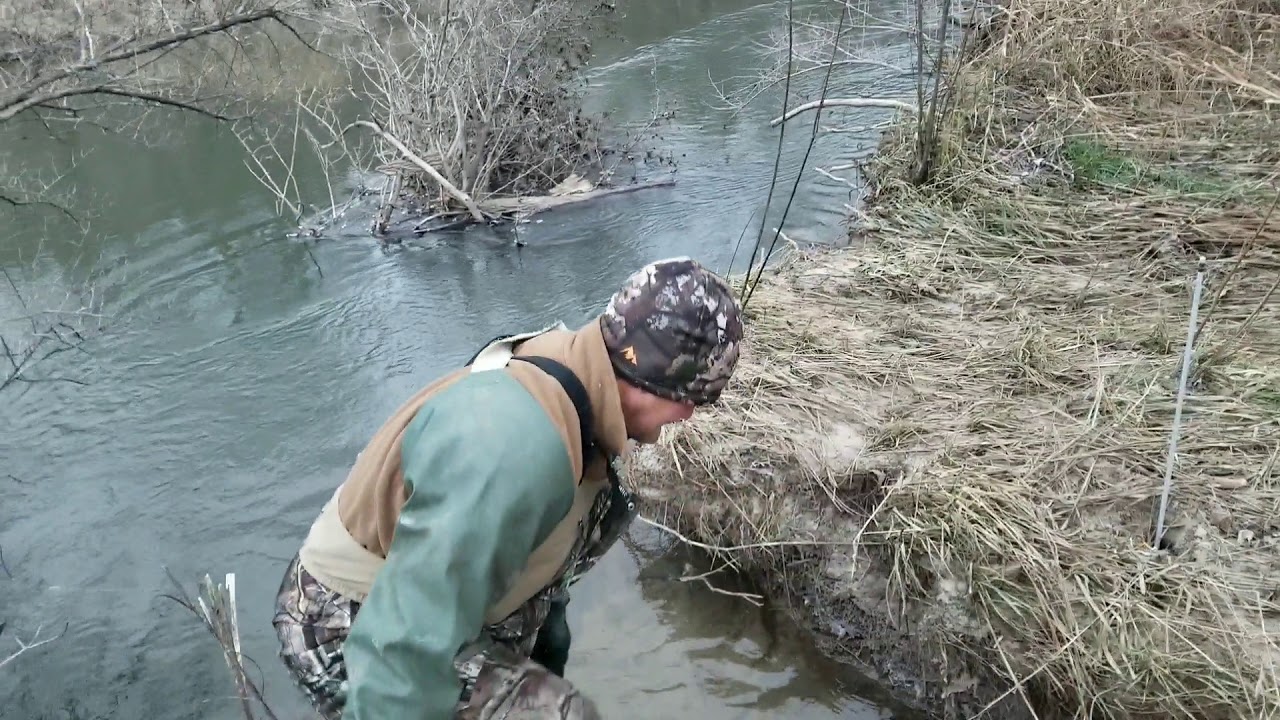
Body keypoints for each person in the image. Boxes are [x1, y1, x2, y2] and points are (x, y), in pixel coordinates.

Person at [272, 257, 744, 720]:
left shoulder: (579, 391)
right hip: (346, 624)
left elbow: (539, 579)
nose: (690, 415)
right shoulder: (513, 446)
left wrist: (543, 663)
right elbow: (403, 649)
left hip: (419, 612)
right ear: (654, 376)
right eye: (695, 397)